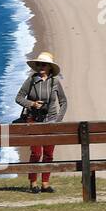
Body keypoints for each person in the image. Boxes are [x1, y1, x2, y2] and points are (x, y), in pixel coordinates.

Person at [15, 51, 68, 193]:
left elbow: (63, 102)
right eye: (39, 64)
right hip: (34, 120)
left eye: (44, 64)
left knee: (49, 154)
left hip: (51, 121)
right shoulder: (31, 80)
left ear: (50, 67)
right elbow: (19, 98)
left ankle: (45, 183)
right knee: (36, 153)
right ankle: (33, 183)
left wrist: (58, 119)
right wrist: (32, 104)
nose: (41, 66)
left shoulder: (55, 82)